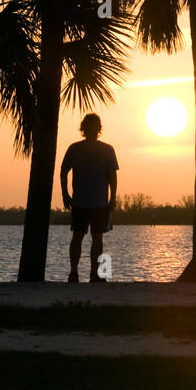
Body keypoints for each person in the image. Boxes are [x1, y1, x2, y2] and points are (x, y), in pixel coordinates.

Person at [60, 113, 119, 283]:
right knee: (80, 236)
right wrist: (64, 193)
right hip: (82, 201)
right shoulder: (75, 148)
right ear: (85, 128)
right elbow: (64, 170)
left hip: (98, 202)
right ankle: (74, 273)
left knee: (96, 237)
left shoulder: (107, 149)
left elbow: (112, 176)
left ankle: (94, 273)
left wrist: (113, 198)